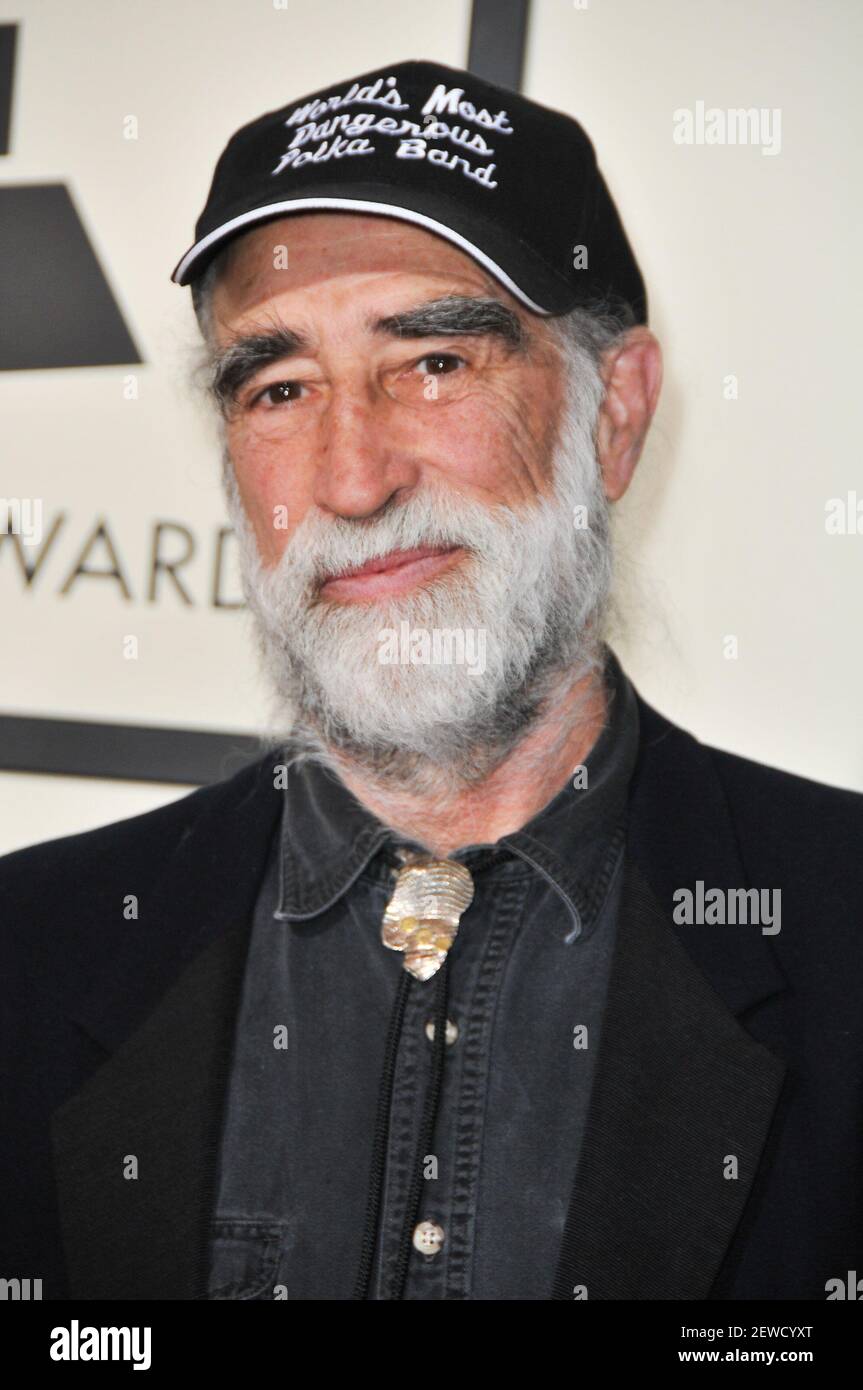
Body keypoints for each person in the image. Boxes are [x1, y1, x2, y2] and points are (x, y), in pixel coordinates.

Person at [1, 59, 861, 1302]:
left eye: (434, 364)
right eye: (280, 388)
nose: (352, 479)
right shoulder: (31, 955)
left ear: (611, 415)